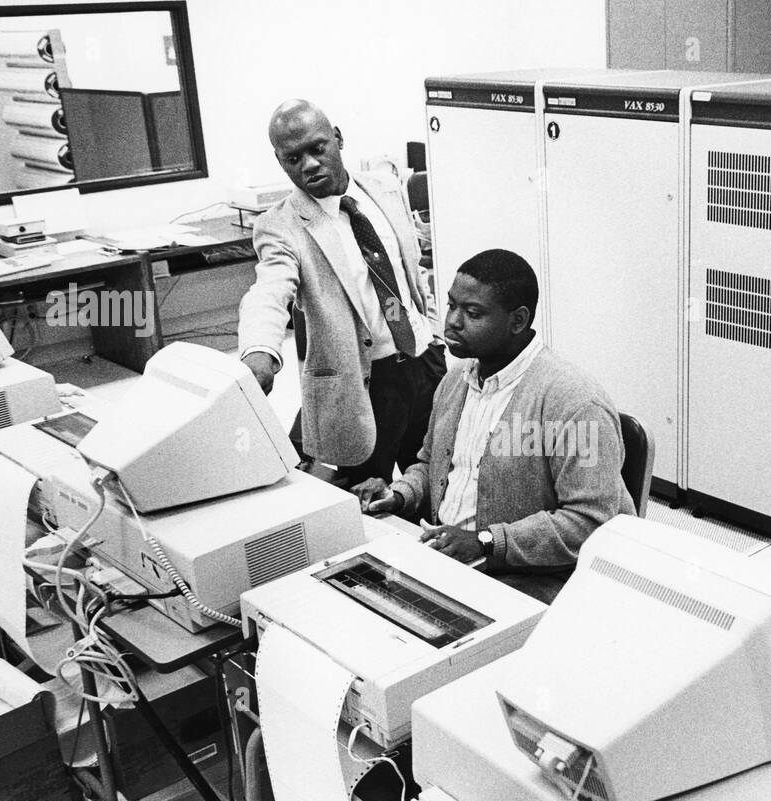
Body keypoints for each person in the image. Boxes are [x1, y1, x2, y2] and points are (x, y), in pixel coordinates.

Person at [354, 249, 634, 603]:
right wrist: (398, 495)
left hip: (533, 580)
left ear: (517, 321)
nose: (452, 321)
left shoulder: (575, 403)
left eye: (472, 313)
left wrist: (486, 542)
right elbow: (431, 465)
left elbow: (592, 521)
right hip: (448, 558)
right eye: (451, 305)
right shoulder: (456, 380)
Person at [237, 99, 445, 484]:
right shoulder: (280, 227)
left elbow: (406, 265)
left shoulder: (384, 189)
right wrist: (259, 351)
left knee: (435, 483)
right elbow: (268, 290)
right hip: (363, 383)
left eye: (318, 149)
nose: (310, 165)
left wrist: (430, 326)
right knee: (365, 500)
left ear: (338, 139)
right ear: (280, 162)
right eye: (293, 158)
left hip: (424, 360)